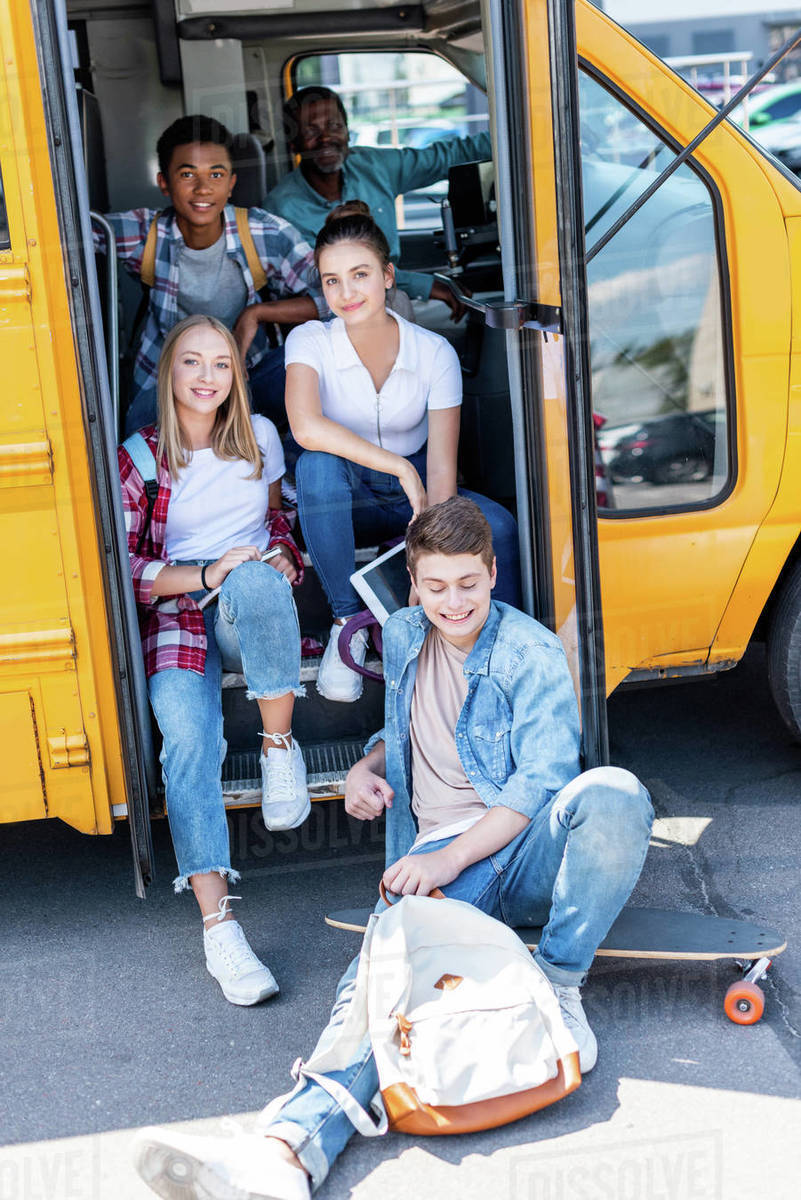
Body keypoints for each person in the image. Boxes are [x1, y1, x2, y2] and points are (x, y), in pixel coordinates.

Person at [132, 495, 654, 1200]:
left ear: (491, 573)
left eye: (467, 583)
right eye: (435, 585)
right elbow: (409, 732)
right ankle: (286, 1151)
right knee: (380, 983)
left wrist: (447, 859)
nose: (452, 601)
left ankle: (559, 985)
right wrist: (365, 768)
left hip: (513, 847)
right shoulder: (406, 631)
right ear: (413, 584)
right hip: (431, 850)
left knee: (615, 791)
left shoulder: (528, 650)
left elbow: (540, 782)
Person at [118, 313, 310, 1005]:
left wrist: (279, 557)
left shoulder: (258, 441)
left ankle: (278, 746)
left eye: (221, 364)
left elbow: (279, 522)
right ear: (169, 372)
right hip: (176, 614)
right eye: (192, 363)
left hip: (246, 605)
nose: (207, 377)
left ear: (237, 375)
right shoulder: (138, 460)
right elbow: (128, 569)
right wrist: (204, 573)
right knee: (188, 742)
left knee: (256, 578)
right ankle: (219, 926)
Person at [284, 200, 521, 702]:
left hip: (415, 492)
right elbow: (306, 427)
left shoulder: (434, 352)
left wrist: (424, 560)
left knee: (497, 526)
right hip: (342, 500)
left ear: (389, 275)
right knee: (316, 466)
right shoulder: (309, 340)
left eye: (360, 274)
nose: (346, 293)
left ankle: (498, 659)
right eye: (331, 281)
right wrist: (396, 468)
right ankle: (346, 622)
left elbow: (440, 480)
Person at [95, 114, 326, 435]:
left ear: (231, 183)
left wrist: (256, 313)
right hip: (167, 382)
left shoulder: (261, 232)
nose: (203, 188)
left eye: (216, 174)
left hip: (247, 374)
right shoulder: (147, 233)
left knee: (309, 357)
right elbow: (66, 232)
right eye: (187, 174)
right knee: (139, 429)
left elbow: (337, 295)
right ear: (164, 183)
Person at [264, 86, 492, 320]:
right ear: (293, 143)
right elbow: (339, 276)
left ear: (348, 132)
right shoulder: (280, 209)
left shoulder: (374, 166)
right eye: (311, 131)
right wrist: (427, 285)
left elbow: (446, 157)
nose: (326, 139)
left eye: (334, 126)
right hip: (330, 311)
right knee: (395, 301)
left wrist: (512, 134)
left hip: (388, 289)